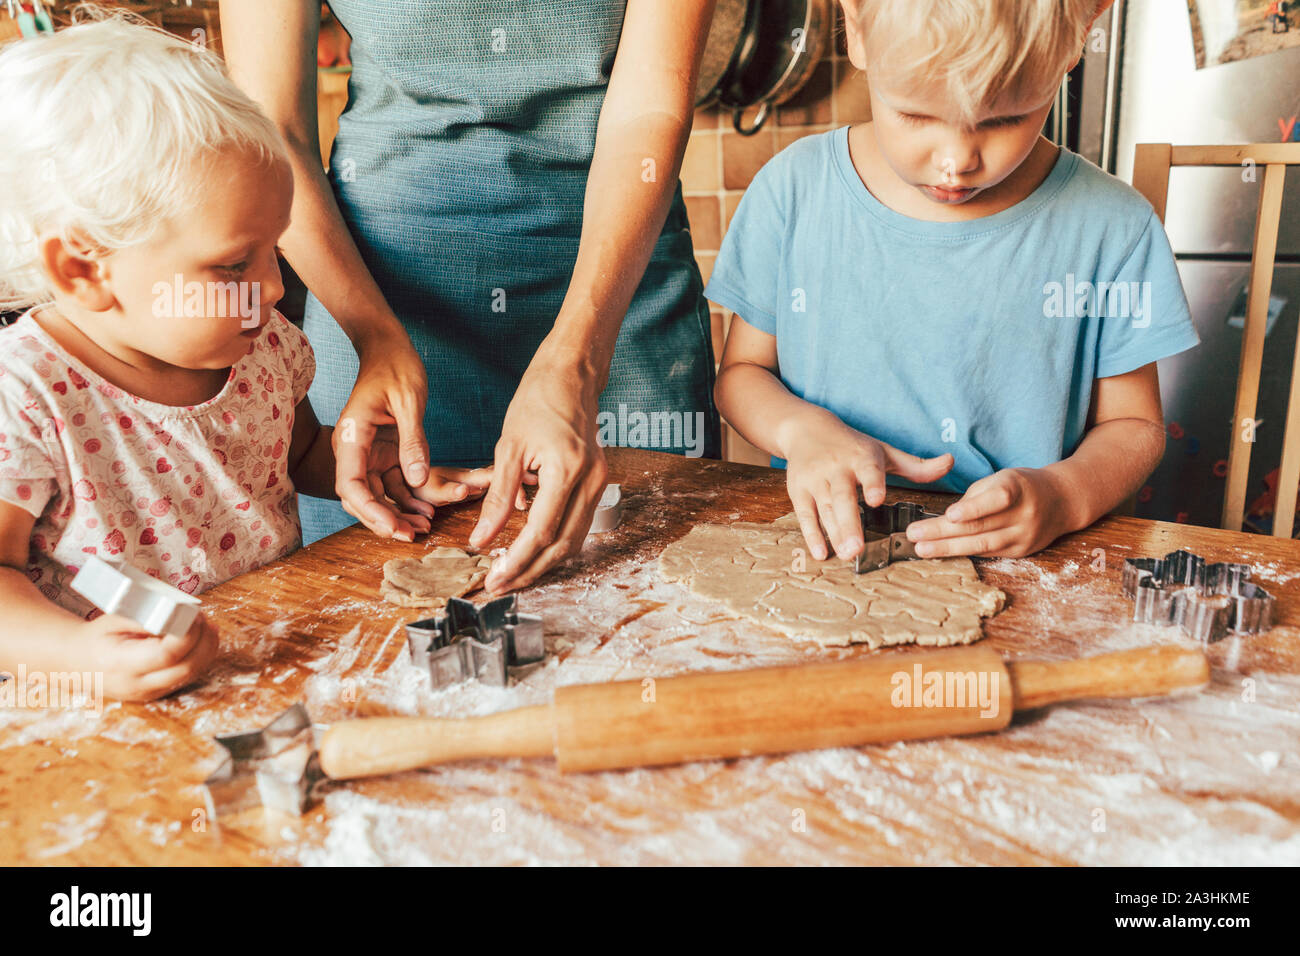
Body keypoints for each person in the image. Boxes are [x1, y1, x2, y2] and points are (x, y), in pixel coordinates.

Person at [0, 14, 486, 699]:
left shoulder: (263, 348)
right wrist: (78, 654)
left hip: (266, 667)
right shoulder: (25, 394)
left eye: (274, 250)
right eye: (233, 264)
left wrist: (369, 466)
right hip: (110, 720)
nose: (274, 288)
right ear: (84, 270)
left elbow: (289, 451)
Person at [219, 0, 723, 595]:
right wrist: (376, 339)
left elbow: (650, 108)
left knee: (656, 600)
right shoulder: (372, 329)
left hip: (617, 295)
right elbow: (271, 131)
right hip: (376, 302)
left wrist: (577, 359)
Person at [708, 0, 1199, 562]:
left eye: (1003, 120)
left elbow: (1134, 425)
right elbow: (743, 374)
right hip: (829, 550)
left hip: (1024, 563)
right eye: (916, 115)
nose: (955, 161)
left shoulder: (1115, 227)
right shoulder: (792, 191)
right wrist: (799, 431)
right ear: (859, 32)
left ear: (1077, 42)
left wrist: (1064, 495)